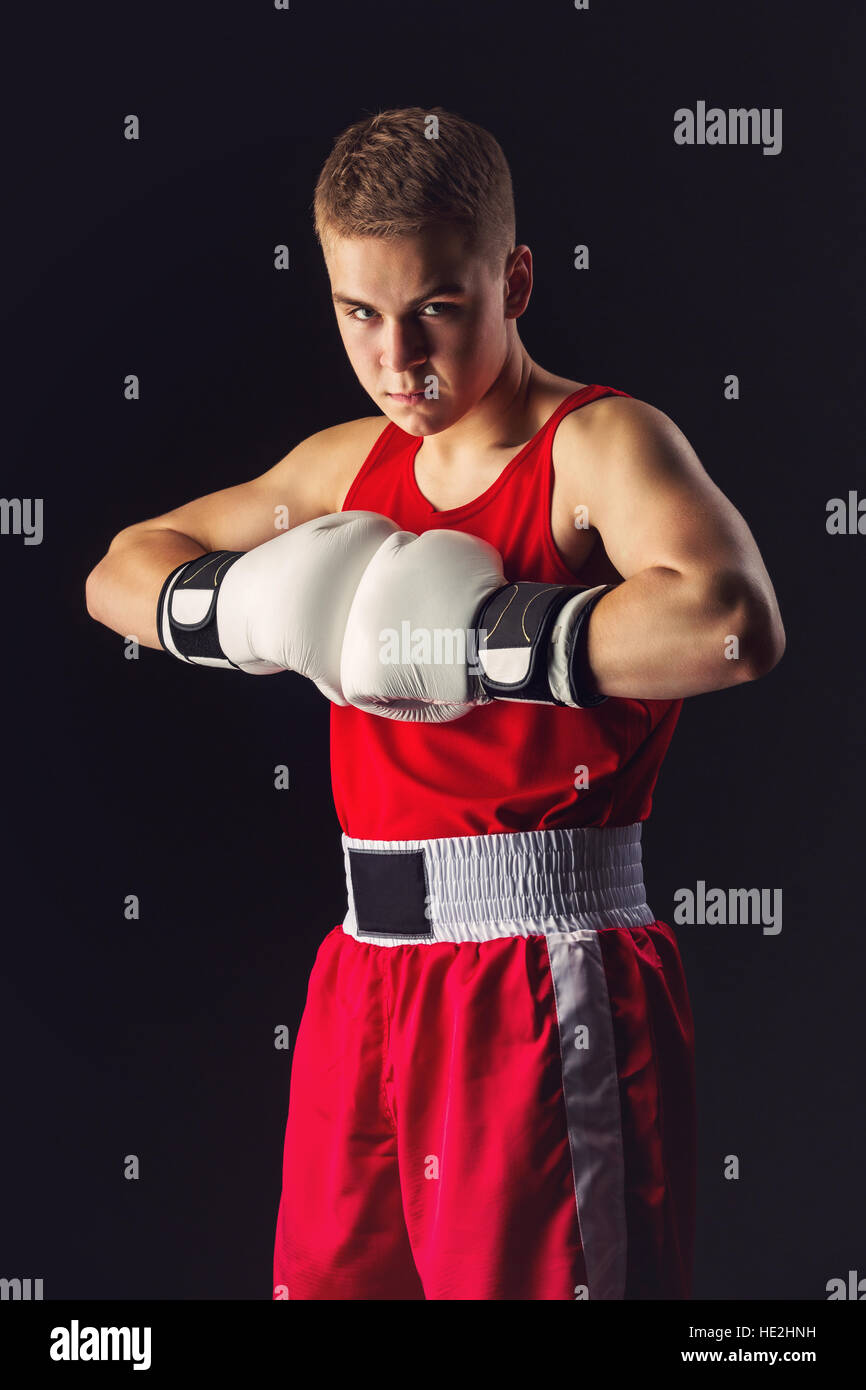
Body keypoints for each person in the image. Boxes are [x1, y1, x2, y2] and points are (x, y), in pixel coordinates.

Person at [85, 106, 785, 1300]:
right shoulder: (340, 468)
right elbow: (118, 570)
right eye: (359, 314)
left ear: (514, 280)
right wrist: (246, 610)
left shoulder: (597, 445)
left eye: (435, 310)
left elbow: (730, 622)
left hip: (539, 968)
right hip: (365, 972)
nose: (396, 355)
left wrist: (476, 638)